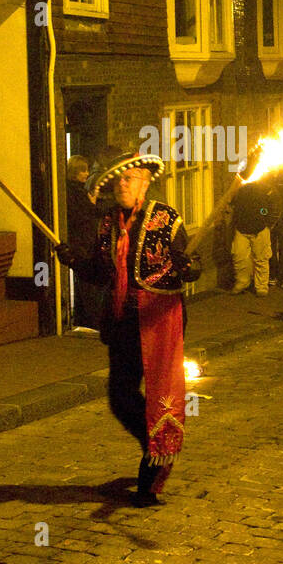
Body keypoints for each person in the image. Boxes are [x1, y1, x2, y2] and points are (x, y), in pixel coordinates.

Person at [54, 152, 201, 506]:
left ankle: (149, 480)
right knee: (120, 397)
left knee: (159, 398)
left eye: (129, 178)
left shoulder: (165, 218)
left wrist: (187, 265)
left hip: (159, 320)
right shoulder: (109, 223)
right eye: (118, 180)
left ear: (145, 181)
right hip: (122, 321)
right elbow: (102, 271)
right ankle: (154, 446)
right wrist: (74, 260)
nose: (123, 184)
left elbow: (191, 268)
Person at [65, 154, 104, 329]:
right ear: (75, 172)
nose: (86, 174)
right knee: (87, 283)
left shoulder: (75, 190)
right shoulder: (76, 192)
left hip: (82, 239)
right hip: (81, 241)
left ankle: (83, 318)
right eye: (83, 170)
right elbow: (84, 215)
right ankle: (91, 320)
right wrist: (92, 202)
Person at [230, 179, 272, 295]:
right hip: (241, 229)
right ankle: (242, 282)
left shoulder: (263, 188)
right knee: (239, 257)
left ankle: (261, 286)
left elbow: (269, 207)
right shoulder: (239, 188)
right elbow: (233, 204)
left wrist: (265, 220)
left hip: (259, 229)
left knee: (261, 259)